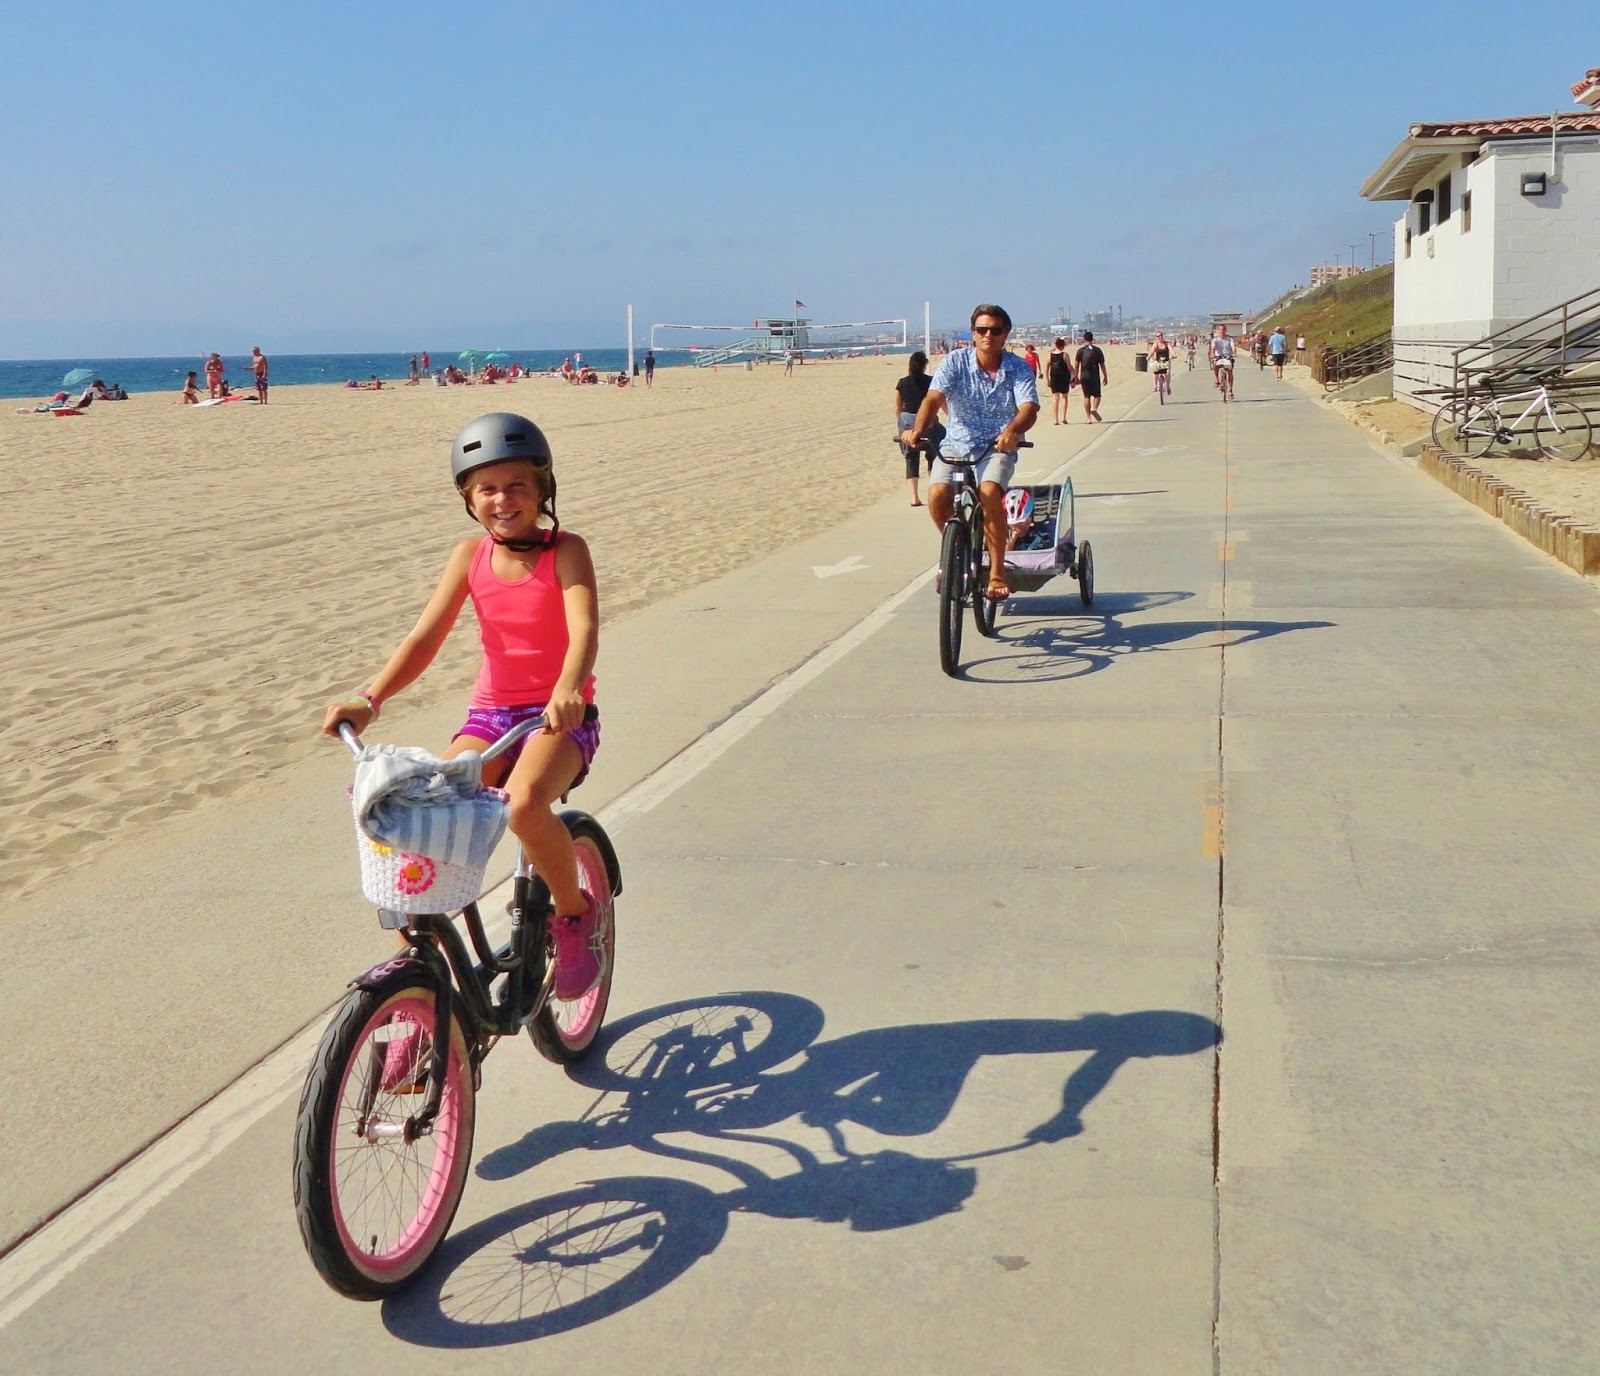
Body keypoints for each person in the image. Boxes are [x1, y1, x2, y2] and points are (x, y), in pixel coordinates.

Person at [321, 412, 605, 1001]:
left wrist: (568, 688)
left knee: (525, 806)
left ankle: (577, 918)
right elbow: (425, 638)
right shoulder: (469, 556)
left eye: (517, 485)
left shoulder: (566, 551)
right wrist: (369, 698)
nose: (503, 499)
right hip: (491, 716)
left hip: (558, 717)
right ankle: (416, 977)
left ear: (543, 489)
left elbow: (583, 629)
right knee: (427, 806)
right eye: (487, 488)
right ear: (468, 498)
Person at [901, 303, 1039, 601]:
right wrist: (917, 430)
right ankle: (957, 548)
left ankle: (997, 573)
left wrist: (1013, 431)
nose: (988, 335)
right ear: (973, 334)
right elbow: (933, 398)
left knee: (990, 491)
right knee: (937, 493)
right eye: (981, 330)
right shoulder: (954, 362)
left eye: (995, 330)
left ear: (1005, 335)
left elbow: (1029, 407)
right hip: (956, 443)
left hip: (996, 446)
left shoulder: (1018, 368)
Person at [894, 350, 944, 507]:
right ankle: (933, 493)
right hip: (928, 424)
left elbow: (898, 408)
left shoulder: (902, 383)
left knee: (911, 459)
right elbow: (940, 403)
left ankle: (914, 497)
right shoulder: (932, 382)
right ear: (925, 365)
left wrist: (903, 426)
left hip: (908, 423)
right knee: (934, 454)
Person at [1074, 331, 1107, 422]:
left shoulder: (1080, 351)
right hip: (1094, 376)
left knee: (1086, 397)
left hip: (1084, 376)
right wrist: (1105, 376)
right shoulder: (1097, 350)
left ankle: (1088, 418)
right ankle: (1095, 408)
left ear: (1084, 339)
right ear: (1092, 339)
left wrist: (1076, 377)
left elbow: (1076, 365)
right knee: (1097, 395)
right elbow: (1102, 365)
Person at [1046, 336, 1073, 425]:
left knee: (1055, 398)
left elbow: (1047, 368)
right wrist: (1074, 372)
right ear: (1063, 346)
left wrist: (1048, 379)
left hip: (1054, 377)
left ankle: (1055, 420)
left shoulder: (1050, 355)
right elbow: (1069, 367)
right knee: (1065, 398)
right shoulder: (1065, 355)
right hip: (1064, 377)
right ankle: (1064, 418)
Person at [1209, 326, 1236, 399]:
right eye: (1220, 330)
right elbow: (1213, 348)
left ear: (1225, 330)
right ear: (1218, 331)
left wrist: (1234, 353)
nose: (1221, 331)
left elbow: (1233, 346)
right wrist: (1212, 354)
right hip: (1219, 357)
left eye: (1223, 329)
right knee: (1215, 365)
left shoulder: (1229, 339)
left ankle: (1230, 390)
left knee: (1230, 372)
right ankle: (1217, 379)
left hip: (1227, 357)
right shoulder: (1215, 340)